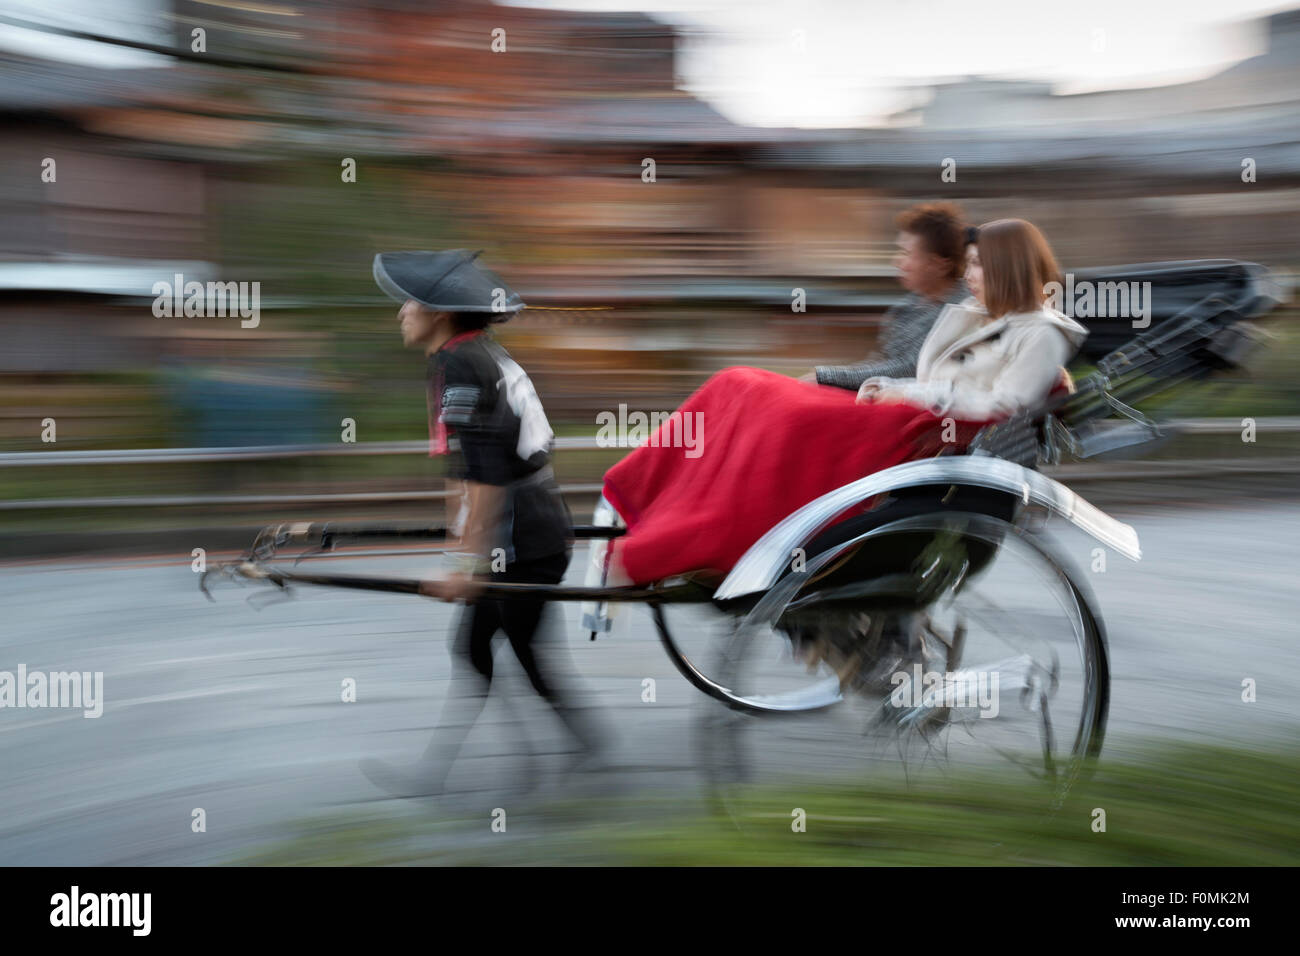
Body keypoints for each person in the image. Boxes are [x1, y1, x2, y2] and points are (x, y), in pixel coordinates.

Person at [601, 219, 1087, 586]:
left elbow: (1006, 403)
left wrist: (907, 393)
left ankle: (703, 526)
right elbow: (929, 373)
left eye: (980, 264)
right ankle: (649, 487)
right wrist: (896, 388)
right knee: (738, 384)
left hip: (925, 433)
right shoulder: (977, 316)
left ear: (1008, 266)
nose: (971, 273)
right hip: (910, 416)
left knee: (778, 412)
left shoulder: (1041, 332)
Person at [360, 249, 607, 799]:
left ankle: (516, 763)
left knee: (489, 649)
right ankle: (558, 754)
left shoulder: (462, 366)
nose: (401, 312)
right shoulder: (470, 356)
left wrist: (468, 566)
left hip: (521, 534)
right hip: (533, 528)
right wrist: (455, 552)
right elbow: (461, 475)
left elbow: (489, 478)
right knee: (495, 650)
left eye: (409, 304)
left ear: (440, 313)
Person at [805, 202, 970, 389]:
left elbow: (910, 369)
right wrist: (828, 378)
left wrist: (828, 376)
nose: (897, 262)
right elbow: (880, 362)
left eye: (907, 253)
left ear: (939, 265)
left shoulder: (963, 309)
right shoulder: (907, 307)